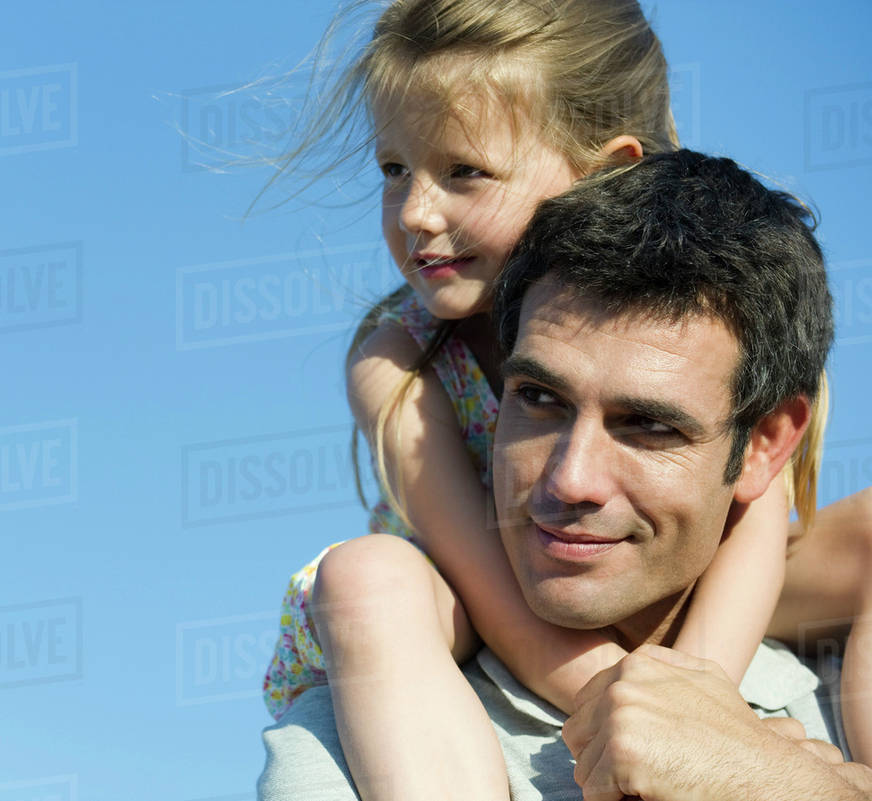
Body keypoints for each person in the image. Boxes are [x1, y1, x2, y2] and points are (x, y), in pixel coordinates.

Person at [259, 1, 872, 798]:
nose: (414, 211)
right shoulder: (400, 356)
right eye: (393, 169)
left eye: (465, 171)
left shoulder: (727, 319)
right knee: (369, 578)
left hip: (640, 578)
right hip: (475, 590)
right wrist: (620, 709)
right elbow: (494, 590)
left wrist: (696, 715)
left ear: (605, 171)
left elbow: (751, 527)